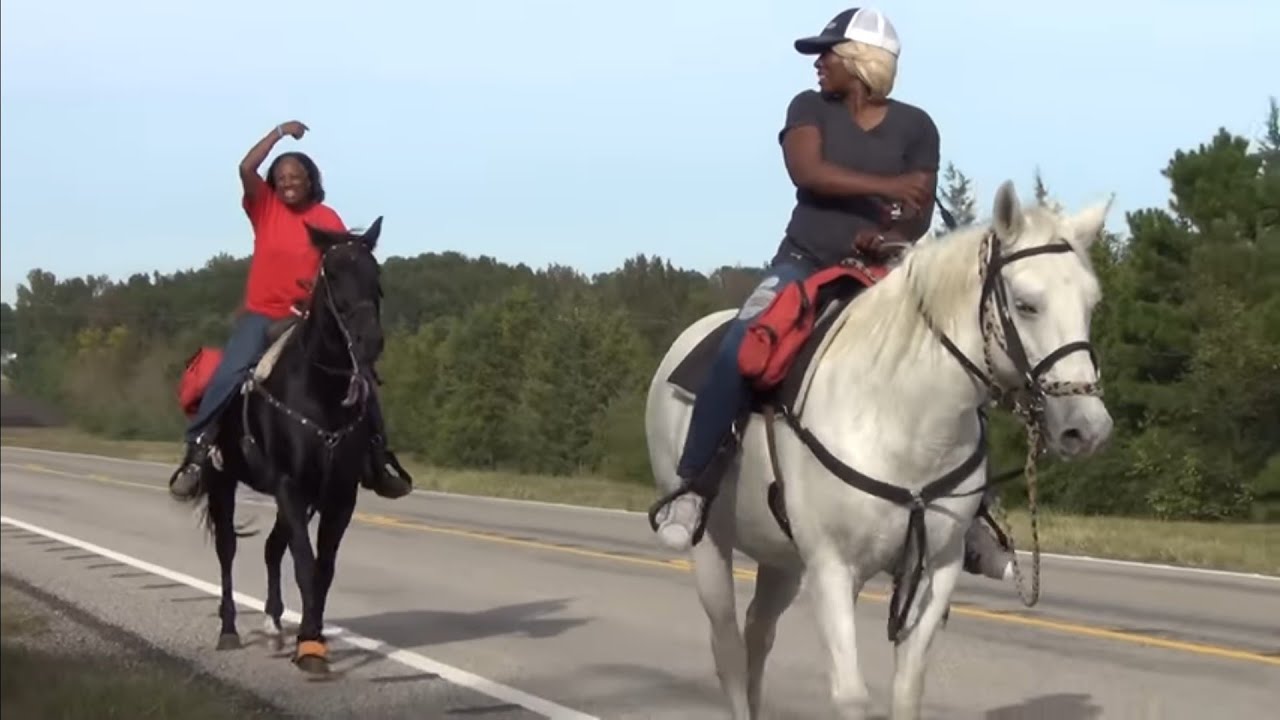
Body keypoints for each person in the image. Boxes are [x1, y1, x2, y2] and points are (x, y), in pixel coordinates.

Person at [650, 8, 1014, 582]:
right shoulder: (808, 108)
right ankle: (692, 486)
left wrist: (892, 235)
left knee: (955, 361)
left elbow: (917, 215)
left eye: (828, 53)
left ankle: (976, 515)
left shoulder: (917, 127)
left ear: (860, 61)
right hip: (804, 261)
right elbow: (809, 173)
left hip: (882, 272)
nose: (818, 64)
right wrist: (890, 187)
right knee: (742, 344)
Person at [167, 120, 413, 502]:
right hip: (261, 315)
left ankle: (377, 457)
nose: (287, 182)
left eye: (295, 176)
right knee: (230, 373)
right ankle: (197, 452)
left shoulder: (328, 219)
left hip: (306, 319)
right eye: (281, 177)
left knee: (361, 378)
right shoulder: (265, 207)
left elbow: (342, 267)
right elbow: (246, 168)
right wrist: (279, 132)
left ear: (310, 180)